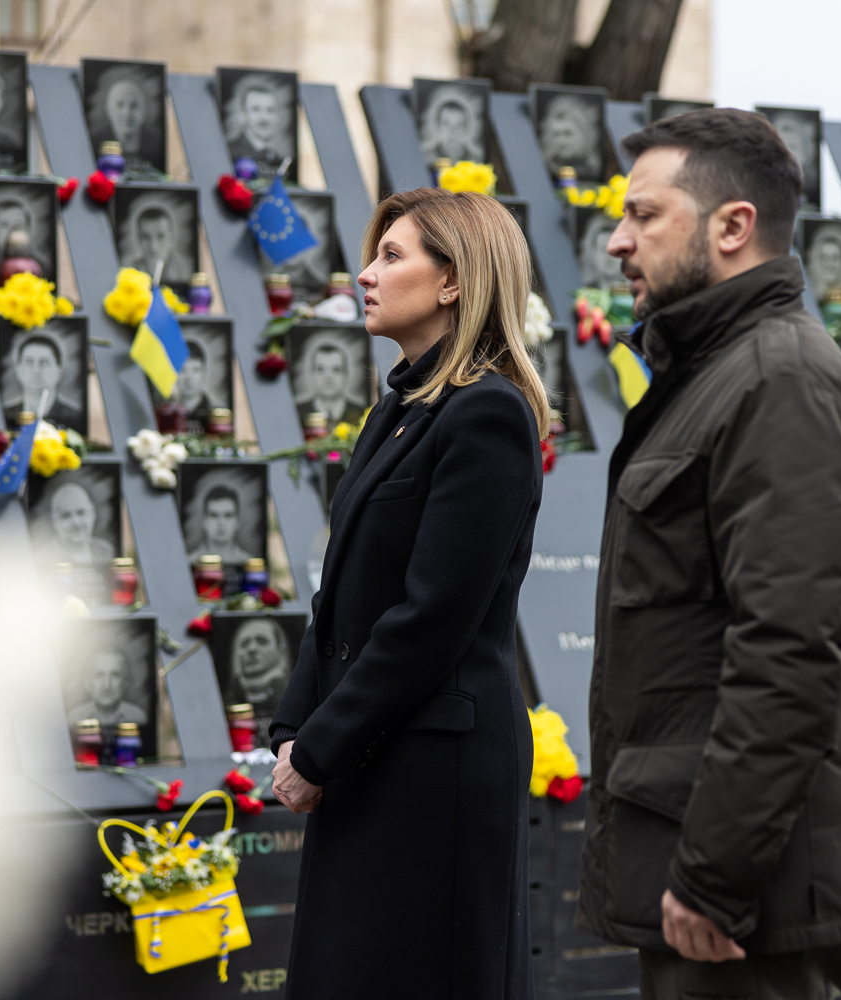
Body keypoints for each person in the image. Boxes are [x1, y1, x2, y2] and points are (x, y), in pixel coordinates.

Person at [579, 108, 841, 999]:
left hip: (744, 897)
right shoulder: (716, 376)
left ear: (733, 225)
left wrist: (714, 873)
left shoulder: (779, 380)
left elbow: (790, 653)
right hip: (707, 867)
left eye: (643, 216)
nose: (617, 243)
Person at [267, 186, 552, 998]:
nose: (365, 273)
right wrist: (295, 727)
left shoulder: (486, 414)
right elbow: (341, 598)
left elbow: (432, 616)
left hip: (434, 767)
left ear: (455, 281)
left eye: (392, 256)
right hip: (372, 751)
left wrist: (321, 748)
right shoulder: (400, 408)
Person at [227, 617, 292, 724]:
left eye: (262, 641)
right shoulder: (227, 701)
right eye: (244, 644)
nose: (251, 649)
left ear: (280, 649)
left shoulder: (296, 699)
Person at [293, 332, 366, 426]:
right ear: (311, 374)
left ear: (346, 374)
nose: (328, 377)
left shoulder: (363, 414)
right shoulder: (295, 413)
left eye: (336, 369)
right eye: (320, 369)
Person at [225, 76, 293, 176]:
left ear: (278, 115)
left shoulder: (282, 160)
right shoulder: (228, 152)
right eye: (256, 109)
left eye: (270, 110)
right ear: (244, 114)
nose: (264, 118)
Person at [8, 335, 79, 427]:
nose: (36, 370)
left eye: (44, 362)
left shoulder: (75, 417)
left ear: (58, 372)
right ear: (18, 371)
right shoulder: (3, 415)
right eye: (29, 362)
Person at [64, 650, 148, 728]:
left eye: (115, 675)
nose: (107, 685)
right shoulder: (74, 718)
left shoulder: (138, 717)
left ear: (125, 682)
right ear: (87, 683)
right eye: (99, 675)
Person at [41, 480, 113, 569]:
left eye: (81, 513)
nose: (76, 522)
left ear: (93, 513)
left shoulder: (106, 551)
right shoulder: (42, 558)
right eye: (65, 516)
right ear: (54, 521)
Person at [187, 485, 255, 567]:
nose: (221, 523)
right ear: (204, 521)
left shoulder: (250, 564)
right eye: (214, 515)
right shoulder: (188, 563)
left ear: (238, 521)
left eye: (228, 515)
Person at [540, 93, 602, 181]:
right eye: (556, 134)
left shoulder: (593, 168)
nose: (561, 141)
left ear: (584, 134)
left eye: (567, 133)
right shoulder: (544, 167)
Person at [125, 204, 192, 284]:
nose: (153, 246)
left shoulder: (187, 270)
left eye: (161, 236)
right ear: (139, 238)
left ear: (172, 237)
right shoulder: (127, 272)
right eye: (146, 237)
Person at [174, 339, 216, 426]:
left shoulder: (216, 415)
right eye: (183, 370)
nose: (189, 377)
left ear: (204, 373)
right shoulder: (166, 415)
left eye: (195, 370)